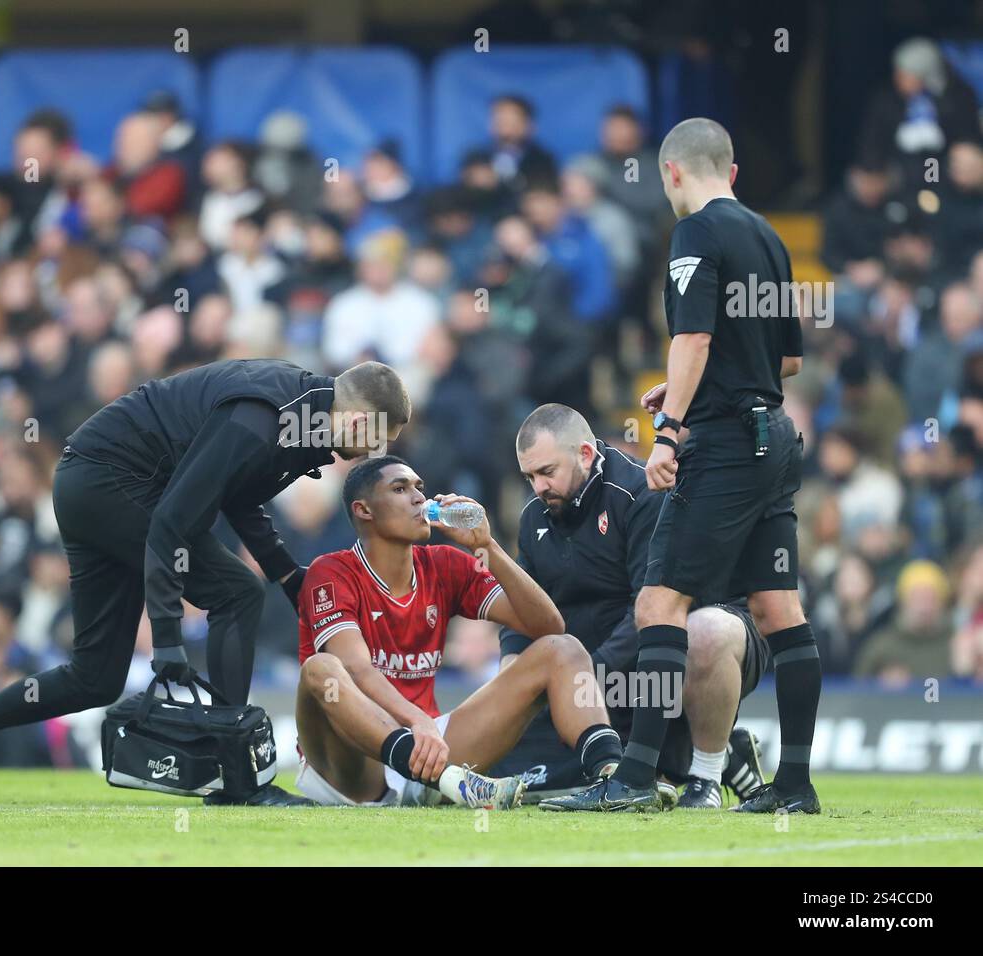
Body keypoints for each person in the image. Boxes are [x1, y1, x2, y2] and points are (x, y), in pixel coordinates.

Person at [0, 359, 413, 807]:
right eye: (376, 441)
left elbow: (237, 494)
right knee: (236, 591)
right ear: (362, 417)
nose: (370, 455)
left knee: (94, 679)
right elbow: (170, 523)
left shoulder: (303, 418)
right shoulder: (267, 418)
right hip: (110, 482)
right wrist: (166, 635)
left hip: (88, 481)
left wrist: (286, 576)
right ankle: (238, 782)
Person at [544, 118, 819, 814]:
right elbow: (785, 359)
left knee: (659, 603)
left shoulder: (693, 233)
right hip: (774, 436)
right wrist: (696, 383)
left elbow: (694, 335)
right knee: (779, 608)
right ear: (730, 171)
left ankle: (633, 778)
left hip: (724, 443)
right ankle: (794, 784)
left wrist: (669, 430)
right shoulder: (767, 235)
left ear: (672, 173)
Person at [294, 455, 621, 808]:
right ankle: (446, 781)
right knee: (321, 670)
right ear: (364, 510)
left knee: (563, 649)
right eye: (400, 489)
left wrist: (487, 547)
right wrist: (417, 720)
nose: (419, 498)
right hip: (355, 764)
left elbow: (547, 625)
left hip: (427, 748)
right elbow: (356, 669)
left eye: (419, 488)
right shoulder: (330, 572)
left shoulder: (445, 564)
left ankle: (615, 778)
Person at [493, 404, 768, 809]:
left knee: (697, 632)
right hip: (592, 675)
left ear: (585, 455)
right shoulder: (535, 516)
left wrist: (584, 678)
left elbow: (652, 612)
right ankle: (715, 754)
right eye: (529, 476)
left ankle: (706, 765)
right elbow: (523, 606)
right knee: (515, 774)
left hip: (671, 659)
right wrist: (512, 674)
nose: (537, 487)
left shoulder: (642, 496)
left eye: (547, 472)